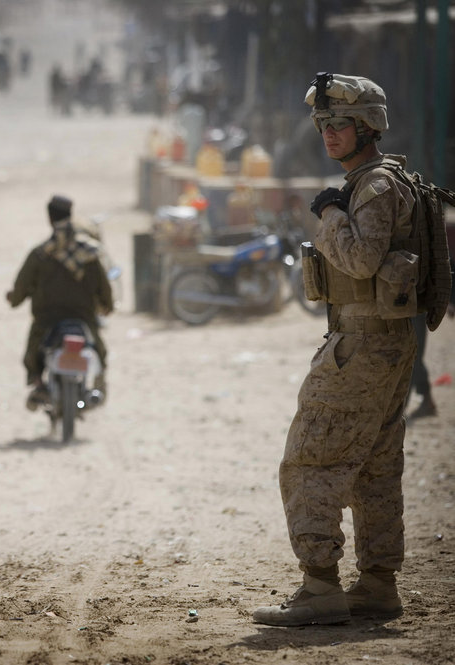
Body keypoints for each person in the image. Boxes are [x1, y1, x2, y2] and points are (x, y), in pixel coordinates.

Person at [254, 74, 419, 626]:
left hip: (362, 345)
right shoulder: (385, 181)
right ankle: (377, 585)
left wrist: (328, 213)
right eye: (322, 123)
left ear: (367, 127)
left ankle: (320, 586)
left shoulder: (372, 187)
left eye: (339, 123)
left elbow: (362, 260)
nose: (328, 133)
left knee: (310, 459)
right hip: (383, 343)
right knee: (374, 467)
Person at [6, 195, 113, 409]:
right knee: (100, 352)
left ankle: (39, 385)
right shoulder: (89, 254)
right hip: (83, 319)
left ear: (49, 219)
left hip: (47, 321)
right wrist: (107, 306)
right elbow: (104, 289)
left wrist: (14, 299)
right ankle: (98, 386)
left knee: (32, 355)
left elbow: (21, 287)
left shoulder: (41, 254)